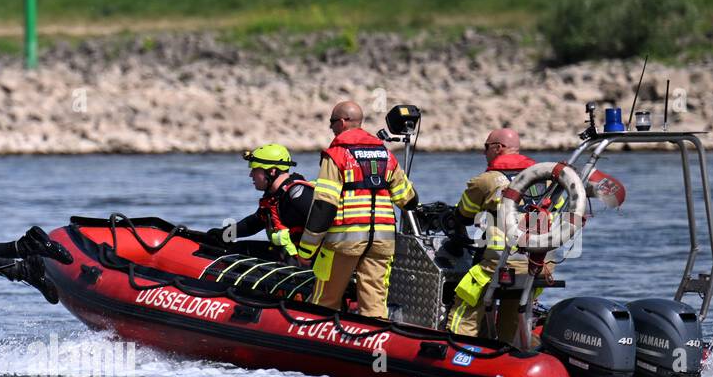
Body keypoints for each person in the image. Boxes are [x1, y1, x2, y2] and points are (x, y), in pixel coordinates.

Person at [296, 101, 418, 318]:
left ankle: (317, 345)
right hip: (382, 241)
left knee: (325, 301)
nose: (331, 128)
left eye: (332, 122)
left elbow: (324, 205)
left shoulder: (337, 154)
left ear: (342, 122)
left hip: (344, 240)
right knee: (374, 305)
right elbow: (408, 200)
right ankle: (372, 345)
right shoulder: (385, 154)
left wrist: (306, 249)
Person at [444, 128, 555, 342]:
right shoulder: (546, 178)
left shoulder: (488, 180)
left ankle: (455, 347)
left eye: (486, 147)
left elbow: (464, 214)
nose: (483, 153)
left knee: (468, 296)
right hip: (541, 263)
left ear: (498, 148)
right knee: (513, 303)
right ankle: (509, 350)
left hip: (501, 261)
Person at [205, 144, 315, 260]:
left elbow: (321, 223)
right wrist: (225, 234)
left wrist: (306, 257)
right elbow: (254, 223)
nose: (251, 175)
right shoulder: (275, 197)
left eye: (255, 170)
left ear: (272, 171)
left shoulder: (297, 194)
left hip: (306, 261)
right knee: (236, 250)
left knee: (236, 253)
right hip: (288, 255)